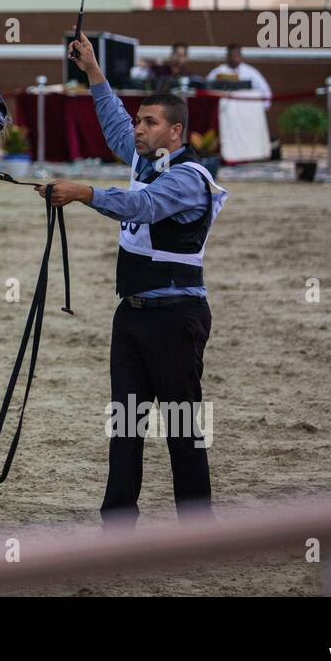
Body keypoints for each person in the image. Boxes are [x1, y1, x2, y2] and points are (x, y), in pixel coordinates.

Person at [36, 33, 227, 526]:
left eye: (150, 122)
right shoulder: (147, 160)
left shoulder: (189, 179)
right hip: (133, 316)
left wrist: (82, 191)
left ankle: (199, 529)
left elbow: (142, 206)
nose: (138, 130)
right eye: (141, 120)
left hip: (176, 318)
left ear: (176, 132)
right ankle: (118, 525)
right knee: (124, 425)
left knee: (182, 429)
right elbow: (115, 124)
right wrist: (94, 72)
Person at [206, 44, 272, 163]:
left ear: (241, 57)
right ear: (227, 56)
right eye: (231, 55)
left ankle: (251, 155)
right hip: (226, 117)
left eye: (236, 55)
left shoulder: (251, 73)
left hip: (247, 118)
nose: (233, 58)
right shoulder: (217, 72)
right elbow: (207, 91)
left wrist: (258, 111)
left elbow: (265, 93)